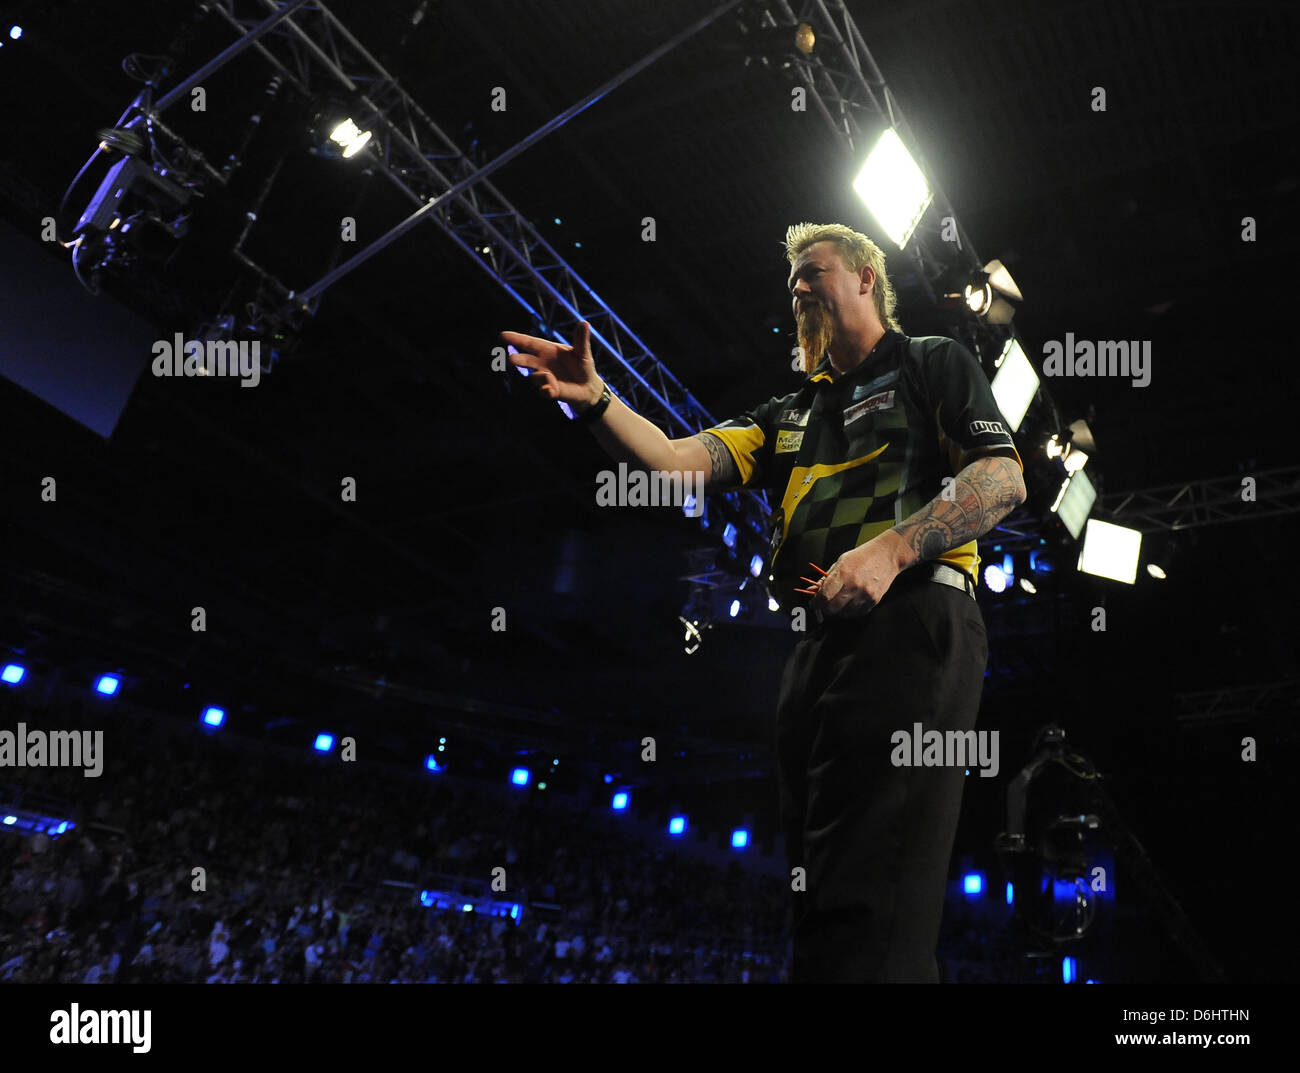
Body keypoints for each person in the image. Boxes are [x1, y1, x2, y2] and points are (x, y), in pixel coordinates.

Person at [502, 222, 1026, 983]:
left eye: (813, 272)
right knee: (820, 900)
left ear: (867, 277)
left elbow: (1002, 478)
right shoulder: (785, 413)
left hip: (913, 621)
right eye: (792, 282)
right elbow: (676, 464)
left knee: (874, 899)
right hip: (815, 652)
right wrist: (596, 400)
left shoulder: (929, 361)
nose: (798, 289)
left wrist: (890, 551)